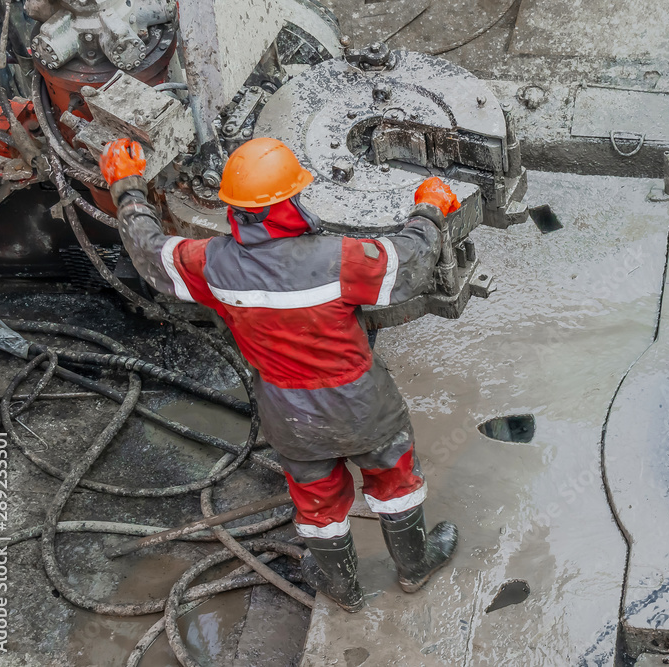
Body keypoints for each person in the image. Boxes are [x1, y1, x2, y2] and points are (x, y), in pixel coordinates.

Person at [99, 136, 461, 612]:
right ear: (290, 199)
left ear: (233, 206)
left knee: (317, 500)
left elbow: (150, 253)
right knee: (393, 478)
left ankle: (343, 588)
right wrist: (430, 210)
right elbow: (408, 262)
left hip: (289, 415)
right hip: (363, 405)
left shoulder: (211, 265)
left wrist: (126, 187)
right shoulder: (341, 257)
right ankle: (415, 567)